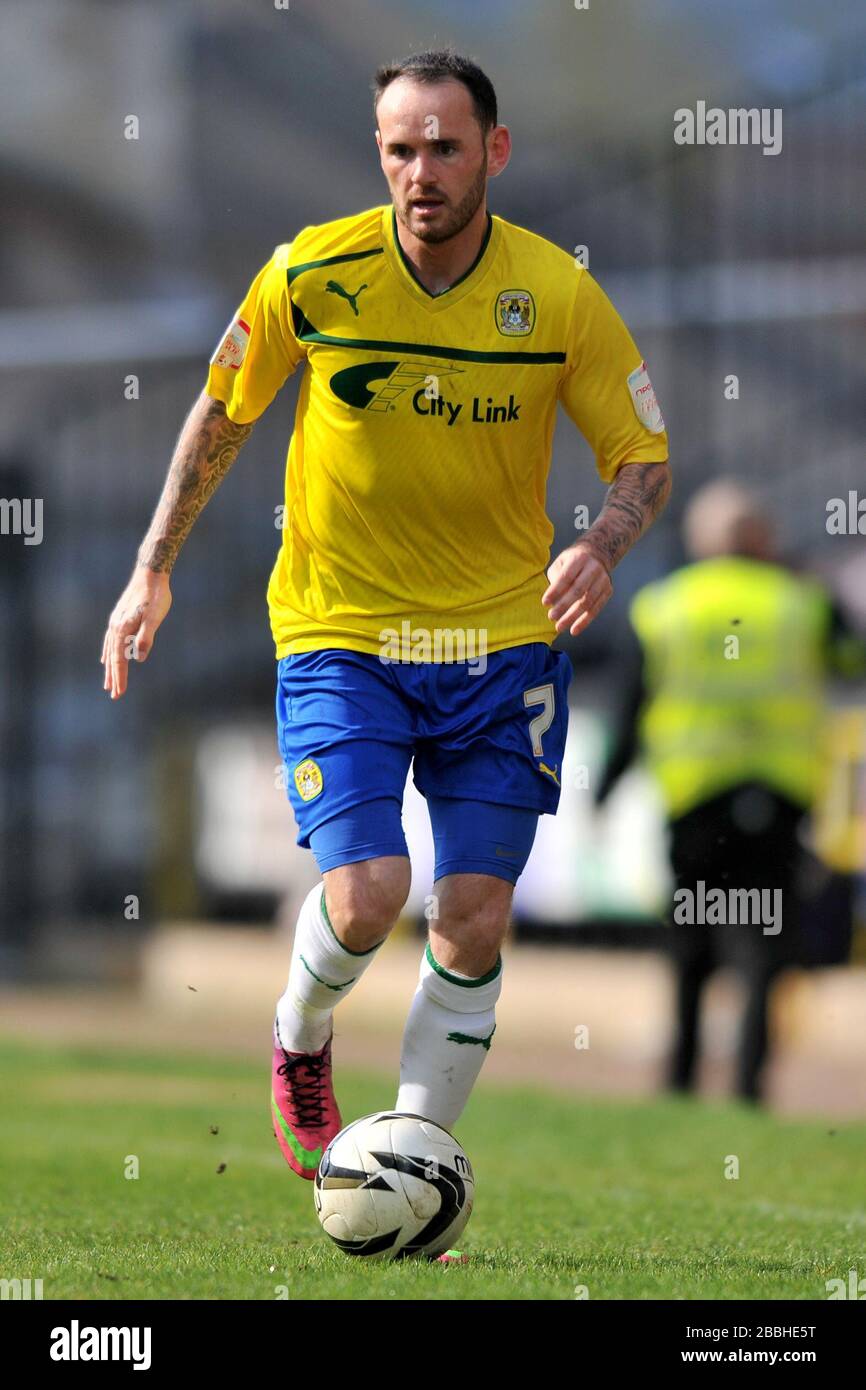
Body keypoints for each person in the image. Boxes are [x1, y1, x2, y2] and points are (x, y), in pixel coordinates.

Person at [101, 50, 671, 1177]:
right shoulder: (310, 274)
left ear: (492, 152)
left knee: (471, 914)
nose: (421, 171)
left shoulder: (556, 294)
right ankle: (299, 1036)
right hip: (341, 628)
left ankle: (411, 1163)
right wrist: (150, 564)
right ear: (379, 153)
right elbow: (222, 411)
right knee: (367, 893)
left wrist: (601, 545)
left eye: (445, 147)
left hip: (499, 642)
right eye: (400, 148)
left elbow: (641, 456)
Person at [596, 479, 861, 1103]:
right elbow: (853, 660)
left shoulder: (665, 604)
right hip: (780, 797)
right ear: (763, 537)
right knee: (767, 944)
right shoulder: (800, 601)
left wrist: (604, 788)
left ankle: (681, 1078)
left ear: (699, 539)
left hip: (693, 797)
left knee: (691, 939)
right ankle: (749, 1082)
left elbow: (632, 705)